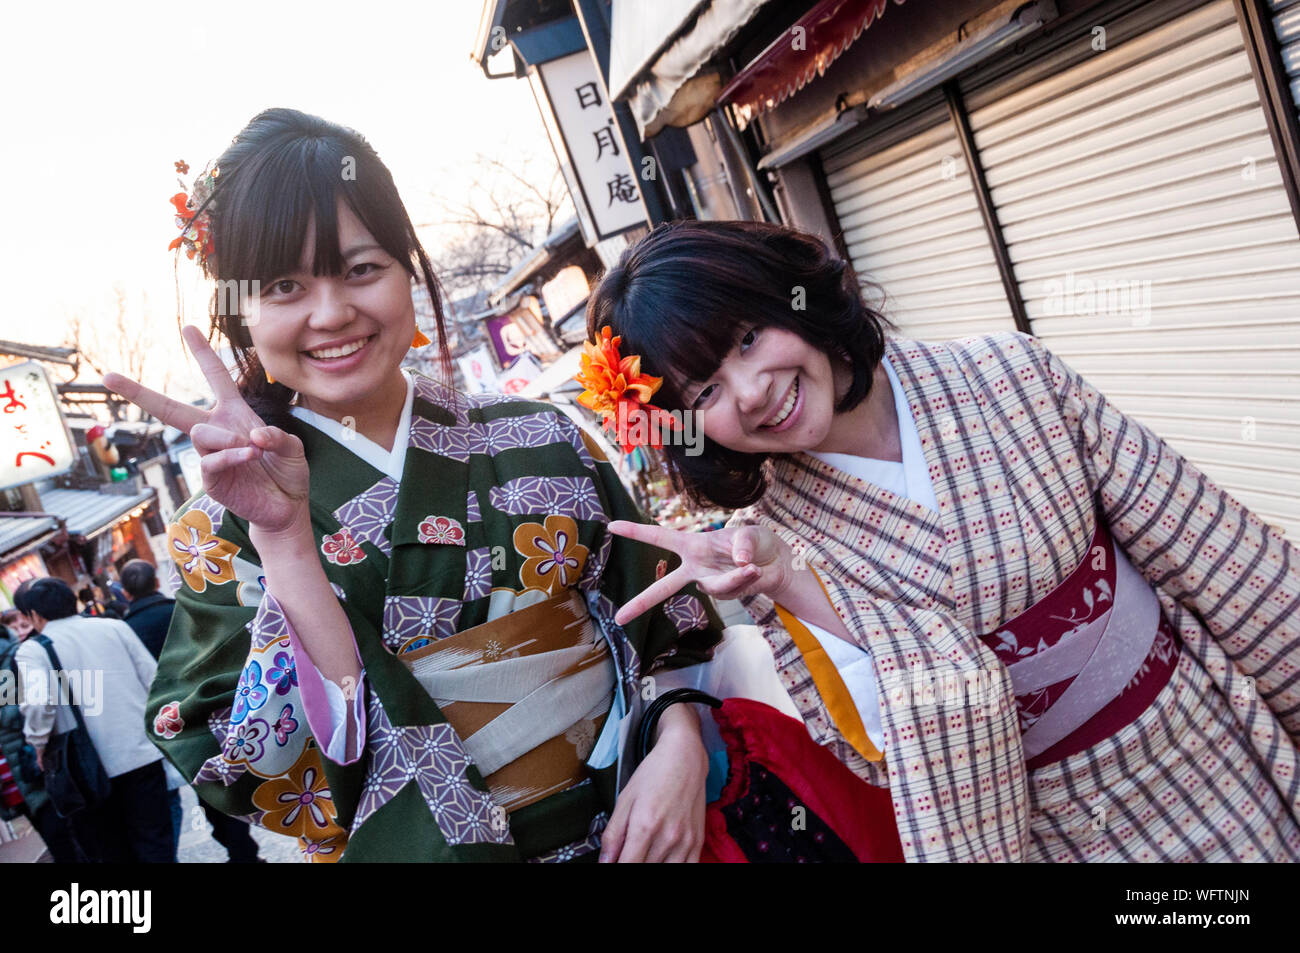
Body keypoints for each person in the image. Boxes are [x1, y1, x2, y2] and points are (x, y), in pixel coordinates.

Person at [104, 108, 721, 863]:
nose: (332, 314)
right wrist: (286, 543)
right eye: (284, 285)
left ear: (407, 269)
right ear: (242, 315)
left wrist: (681, 740)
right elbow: (259, 764)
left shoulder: (541, 435)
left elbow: (670, 626)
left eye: (362, 269)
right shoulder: (221, 525)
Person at [584, 219, 1300, 863]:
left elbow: (1215, 553)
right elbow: (881, 752)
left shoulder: (1010, 374)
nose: (750, 390)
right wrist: (790, 583)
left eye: (747, 338)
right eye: (705, 391)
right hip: (1052, 830)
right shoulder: (765, 553)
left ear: (789, 297)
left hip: (1205, 744)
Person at [13, 577, 175, 862]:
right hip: (139, 754)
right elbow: (153, 680)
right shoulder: (114, 627)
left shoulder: (33, 650)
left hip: (85, 769)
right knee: (156, 842)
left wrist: (38, 744)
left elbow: (39, 703)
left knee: (110, 850)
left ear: (34, 615)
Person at [120, 559, 265, 862]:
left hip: (170, 723)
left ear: (125, 591)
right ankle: (243, 849)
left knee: (202, 785)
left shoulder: (125, 630)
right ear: (156, 583)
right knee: (226, 777)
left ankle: (237, 848)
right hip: (208, 707)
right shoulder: (181, 611)